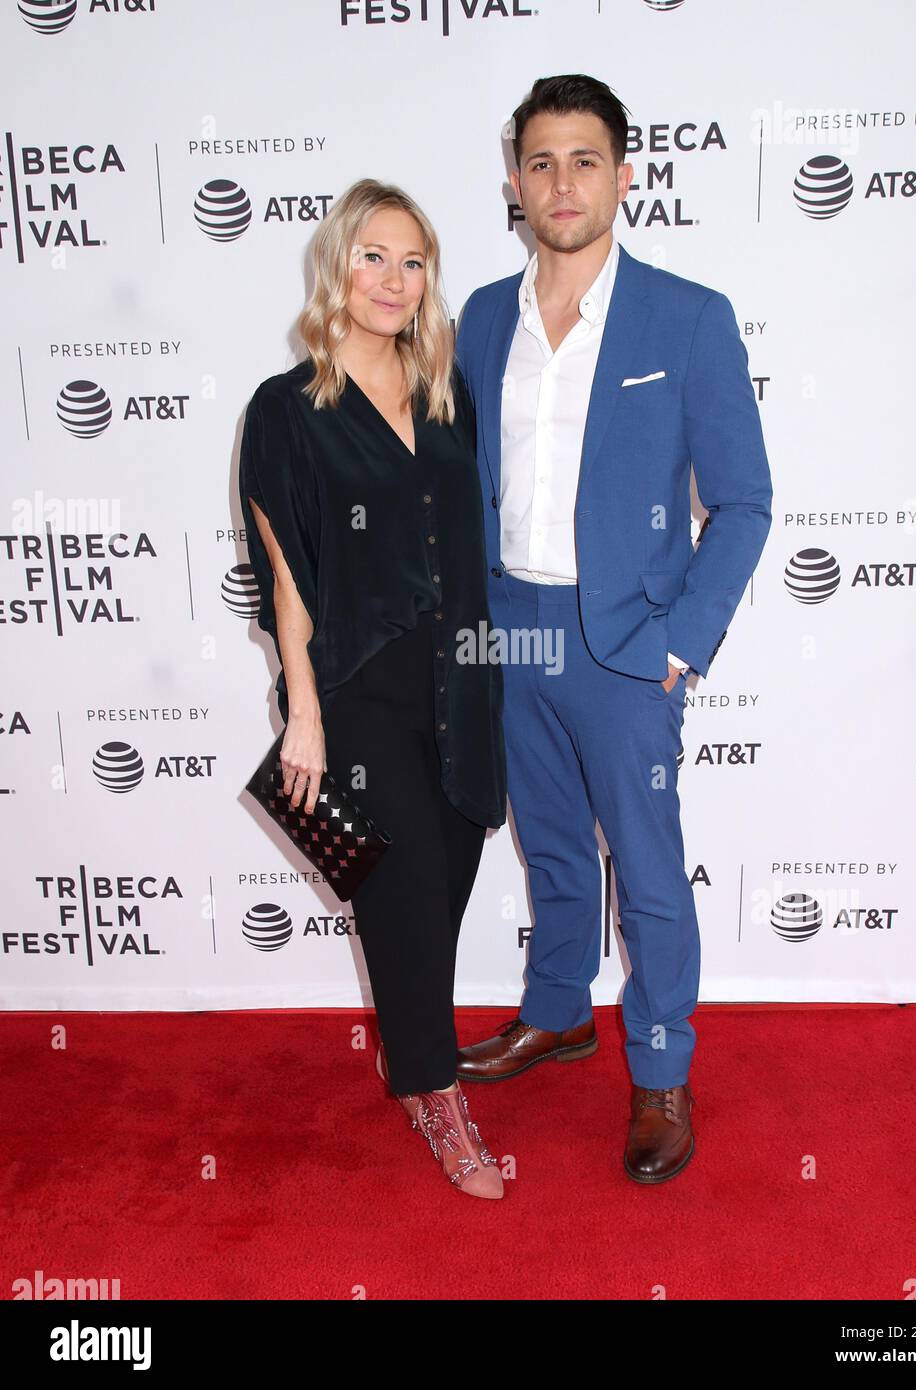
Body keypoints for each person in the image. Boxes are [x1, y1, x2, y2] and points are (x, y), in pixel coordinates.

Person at [454, 75, 772, 1183]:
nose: (563, 182)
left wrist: (682, 642)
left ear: (626, 175)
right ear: (514, 183)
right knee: (545, 843)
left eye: (585, 159)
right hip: (512, 625)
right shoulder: (483, 316)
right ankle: (558, 1013)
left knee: (643, 869)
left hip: (629, 638)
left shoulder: (687, 317)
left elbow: (743, 501)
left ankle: (662, 1071)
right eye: (541, 162)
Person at [239, 178, 507, 1200]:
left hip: (467, 678)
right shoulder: (287, 407)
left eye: (413, 262)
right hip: (360, 689)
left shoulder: (447, 394)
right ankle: (438, 1100)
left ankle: (409, 1041)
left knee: (446, 877)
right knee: (400, 891)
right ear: (337, 265)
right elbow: (286, 576)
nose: (394, 280)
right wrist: (302, 711)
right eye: (373, 256)